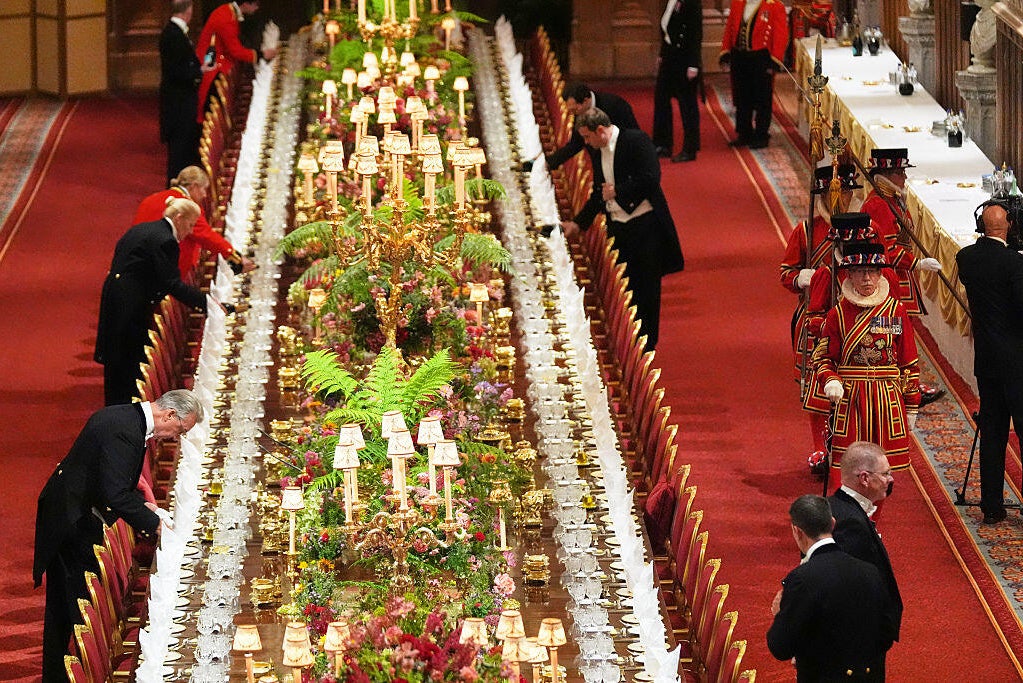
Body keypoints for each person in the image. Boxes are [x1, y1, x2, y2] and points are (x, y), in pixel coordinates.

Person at [34, 390, 203, 682]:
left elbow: (113, 481)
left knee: (67, 609)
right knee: (73, 610)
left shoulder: (128, 419)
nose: (177, 437)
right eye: (180, 430)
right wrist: (155, 524)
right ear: (169, 415)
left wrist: (148, 507)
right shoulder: (127, 431)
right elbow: (115, 494)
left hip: (80, 511)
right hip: (69, 519)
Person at [561, 108, 685, 351]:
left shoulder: (636, 141)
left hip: (646, 227)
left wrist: (618, 191)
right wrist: (578, 223)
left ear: (600, 130)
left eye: (587, 137)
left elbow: (651, 177)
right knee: (627, 287)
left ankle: (647, 346)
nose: (586, 143)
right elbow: (599, 194)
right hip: (619, 228)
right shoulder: (598, 150)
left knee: (647, 289)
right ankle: (631, 340)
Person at [803, 242, 921, 479]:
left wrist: (911, 404)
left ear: (880, 274)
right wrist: (831, 380)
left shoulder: (896, 311)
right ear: (849, 275)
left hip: (886, 399)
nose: (867, 278)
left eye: (872, 272)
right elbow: (823, 357)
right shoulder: (837, 314)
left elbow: (908, 361)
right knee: (849, 467)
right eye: (860, 272)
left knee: (882, 472)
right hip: (851, 398)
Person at [780, 165, 862, 469]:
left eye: (848, 192)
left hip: (856, 318)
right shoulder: (805, 231)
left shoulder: (865, 230)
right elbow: (785, 274)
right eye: (838, 192)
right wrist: (801, 278)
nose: (844, 197)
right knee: (816, 388)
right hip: (815, 318)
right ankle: (820, 448)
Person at [768, 494, 895, 681]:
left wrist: (781, 614)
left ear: (797, 531)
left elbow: (780, 647)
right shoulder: (870, 571)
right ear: (833, 523)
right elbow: (887, 631)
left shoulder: (802, 579)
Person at [95, 198, 208, 406]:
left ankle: (115, 409)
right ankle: (124, 411)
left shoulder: (145, 229)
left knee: (116, 366)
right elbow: (172, 283)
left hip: (116, 300)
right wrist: (207, 304)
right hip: (130, 307)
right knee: (127, 365)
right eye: (190, 224)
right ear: (179, 218)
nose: (190, 231)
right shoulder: (166, 240)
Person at [861, 147, 946, 408]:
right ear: (887, 174)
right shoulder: (878, 204)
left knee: (901, 335)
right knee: (892, 334)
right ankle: (899, 386)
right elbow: (887, 249)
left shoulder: (892, 198)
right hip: (890, 281)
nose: (905, 178)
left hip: (901, 279)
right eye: (900, 173)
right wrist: (916, 263)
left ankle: (907, 385)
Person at [955, 200, 1023, 524]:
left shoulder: (966, 257)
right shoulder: (1015, 263)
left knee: (993, 432)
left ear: (982, 226)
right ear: (1009, 225)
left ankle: (992, 507)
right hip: (1017, 363)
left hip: (987, 359)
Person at [829, 441, 903, 644]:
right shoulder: (850, 524)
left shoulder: (836, 505)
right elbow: (850, 589)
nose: (890, 479)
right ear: (864, 478)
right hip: (857, 639)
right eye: (885, 473)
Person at [134, 165, 254, 279]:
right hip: (164, 268)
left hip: (138, 260)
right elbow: (206, 235)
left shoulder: (151, 199)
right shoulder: (187, 206)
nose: (205, 195)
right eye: (204, 189)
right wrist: (235, 258)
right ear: (194, 186)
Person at [524, 83, 640, 172]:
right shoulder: (580, 112)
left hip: (624, 160)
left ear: (586, 100)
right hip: (601, 161)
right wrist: (546, 163)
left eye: (574, 110)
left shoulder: (615, 105)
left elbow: (633, 136)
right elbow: (575, 144)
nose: (573, 114)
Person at [719, 0, 788, 149]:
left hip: (761, 57)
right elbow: (730, 28)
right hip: (739, 56)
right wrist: (726, 51)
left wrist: (775, 60)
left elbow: (781, 34)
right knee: (741, 97)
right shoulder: (737, 3)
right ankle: (744, 133)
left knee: (762, 98)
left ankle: (761, 135)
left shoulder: (775, 6)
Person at [194, 0, 278, 123]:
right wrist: (262, 55)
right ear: (245, 4)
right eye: (255, 4)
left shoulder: (229, 12)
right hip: (213, 68)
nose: (257, 8)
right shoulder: (226, 18)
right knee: (212, 113)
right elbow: (236, 51)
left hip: (219, 62)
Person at [160, 0, 205, 185]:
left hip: (180, 101)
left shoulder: (174, 32)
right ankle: (175, 189)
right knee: (179, 152)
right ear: (189, 11)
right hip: (178, 104)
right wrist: (198, 72)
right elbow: (176, 70)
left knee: (184, 149)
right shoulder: (173, 35)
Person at [652, 0, 702, 163]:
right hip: (670, 56)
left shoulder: (692, 3)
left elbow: (695, 34)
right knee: (661, 99)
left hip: (685, 59)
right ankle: (662, 144)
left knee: (687, 105)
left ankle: (690, 148)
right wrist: (662, 54)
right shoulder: (671, 1)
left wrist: (693, 64)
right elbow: (667, 30)